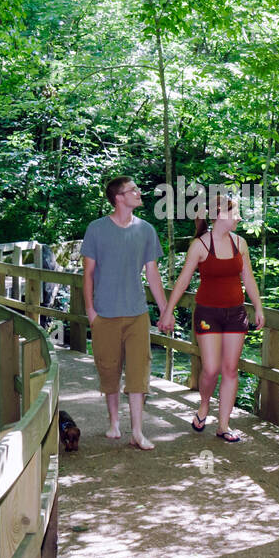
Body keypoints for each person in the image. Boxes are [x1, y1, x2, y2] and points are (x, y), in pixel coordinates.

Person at [157, 193, 264, 442]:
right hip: (208, 314)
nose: (238, 217)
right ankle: (204, 404)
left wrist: (258, 307)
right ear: (219, 216)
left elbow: (248, 278)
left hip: (236, 313)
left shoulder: (241, 244)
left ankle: (223, 425)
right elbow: (183, 280)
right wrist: (168, 310)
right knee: (212, 369)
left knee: (230, 369)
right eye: (234, 212)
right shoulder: (201, 245)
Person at [82, 176, 169, 450]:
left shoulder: (146, 230)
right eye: (132, 190)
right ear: (118, 198)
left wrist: (165, 310)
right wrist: (90, 311)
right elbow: (88, 274)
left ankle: (137, 431)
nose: (138, 193)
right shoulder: (96, 229)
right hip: (104, 313)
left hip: (136, 313)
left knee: (138, 373)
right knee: (109, 370)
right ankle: (113, 422)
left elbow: (153, 275)